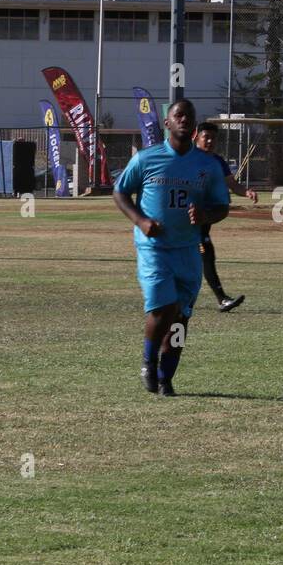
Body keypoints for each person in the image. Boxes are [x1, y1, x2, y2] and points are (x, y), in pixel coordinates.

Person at [112, 99, 230, 397]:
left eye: (189, 116)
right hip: (154, 248)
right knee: (163, 307)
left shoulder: (207, 164)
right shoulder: (146, 159)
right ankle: (148, 362)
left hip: (188, 249)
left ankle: (166, 377)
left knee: (181, 316)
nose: (184, 119)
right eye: (178, 115)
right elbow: (120, 192)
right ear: (167, 123)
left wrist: (207, 215)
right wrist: (140, 221)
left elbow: (221, 206)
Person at [193, 121, 257, 312]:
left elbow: (233, 184)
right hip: (187, 219)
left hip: (204, 218)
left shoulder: (218, 161)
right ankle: (221, 298)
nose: (210, 141)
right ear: (196, 136)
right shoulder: (188, 158)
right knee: (205, 254)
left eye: (214, 138)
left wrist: (246, 192)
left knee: (201, 256)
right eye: (206, 137)